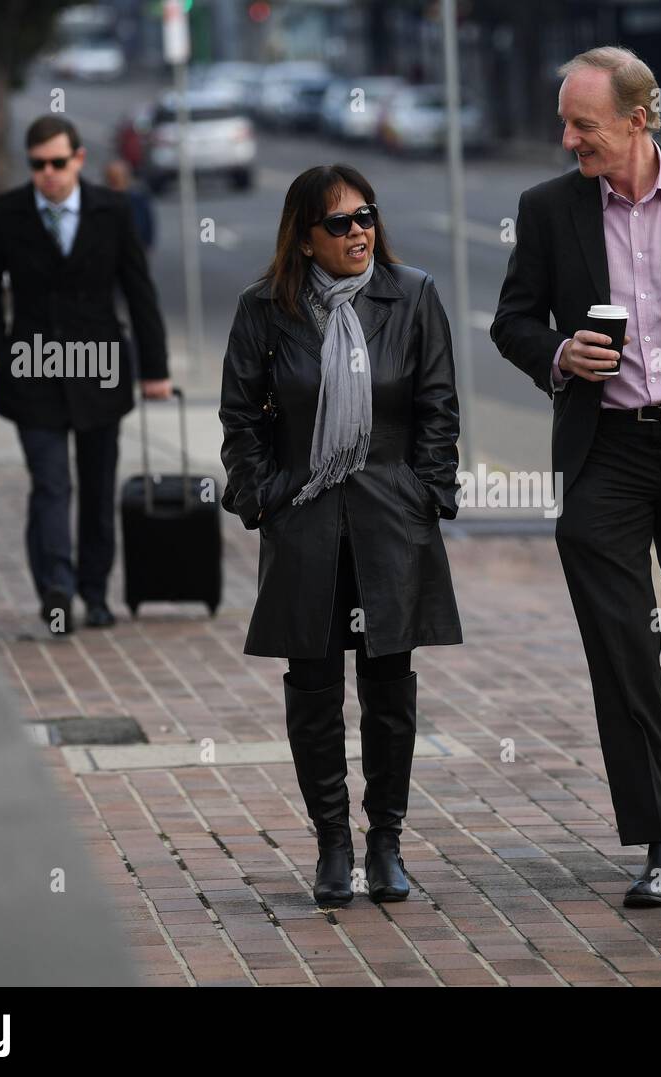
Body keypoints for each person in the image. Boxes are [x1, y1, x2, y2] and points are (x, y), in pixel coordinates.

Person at [490, 46, 661, 908]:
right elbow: (511, 321)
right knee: (622, 643)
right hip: (602, 450)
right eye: (567, 122)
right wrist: (559, 354)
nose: (567, 137)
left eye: (584, 124)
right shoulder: (548, 208)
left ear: (638, 120)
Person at [219, 164, 462, 907]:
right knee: (314, 691)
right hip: (306, 526)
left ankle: (386, 839)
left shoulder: (411, 294)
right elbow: (242, 417)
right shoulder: (264, 308)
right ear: (304, 238)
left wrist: (427, 493)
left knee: (390, 690)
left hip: (392, 523)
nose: (359, 231)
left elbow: (437, 408)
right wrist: (265, 499)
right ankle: (333, 842)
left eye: (367, 216)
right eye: (340, 223)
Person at [0, 116, 171, 636]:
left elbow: (138, 288)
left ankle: (95, 593)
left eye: (58, 163)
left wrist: (155, 370)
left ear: (79, 159)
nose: (49, 174)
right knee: (50, 484)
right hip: (32, 371)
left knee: (98, 487)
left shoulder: (113, 210)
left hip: (100, 368)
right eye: (38, 165)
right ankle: (56, 592)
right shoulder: (6, 213)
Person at [104, 158, 155, 253]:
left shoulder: (138, 200)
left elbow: (147, 225)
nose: (114, 183)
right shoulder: (100, 200)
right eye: (111, 178)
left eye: (117, 178)